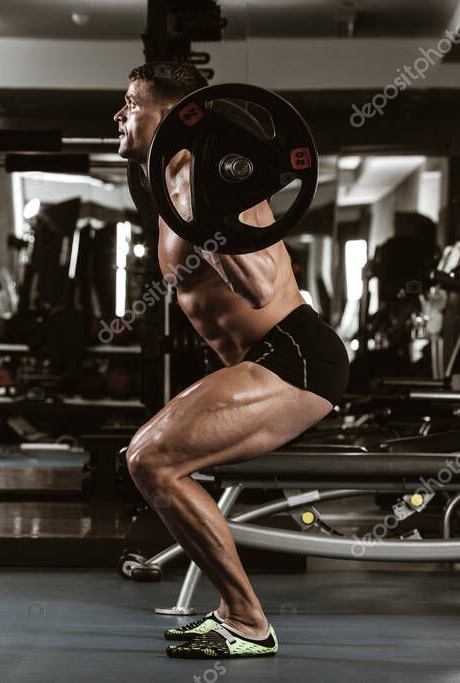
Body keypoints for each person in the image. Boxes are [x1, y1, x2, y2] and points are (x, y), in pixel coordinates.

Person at [113, 62, 350, 659]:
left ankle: (247, 622)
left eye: (130, 103)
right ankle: (229, 613)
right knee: (145, 455)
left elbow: (262, 287)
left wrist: (212, 229)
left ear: (168, 116)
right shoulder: (171, 182)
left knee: (152, 458)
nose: (118, 115)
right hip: (259, 358)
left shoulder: (208, 177)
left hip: (296, 355)